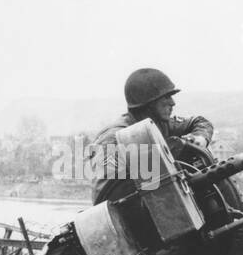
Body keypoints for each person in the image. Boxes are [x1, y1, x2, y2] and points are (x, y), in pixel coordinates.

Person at [89, 68, 215, 205]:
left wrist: (200, 138)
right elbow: (105, 195)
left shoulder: (160, 123)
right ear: (148, 103)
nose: (172, 103)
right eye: (166, 97)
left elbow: (200, 122)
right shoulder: (114, 138)